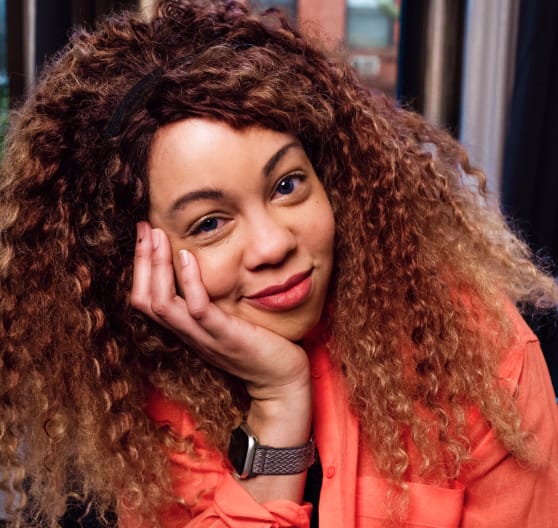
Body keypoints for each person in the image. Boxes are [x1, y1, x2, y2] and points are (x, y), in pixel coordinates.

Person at [0, 0, 557, 526]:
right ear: (143, 258)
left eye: (287, 185)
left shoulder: (475, 354)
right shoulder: (140, 390)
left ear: (331, 181)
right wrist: (279, 402)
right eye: (210, 223)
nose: (273, 246)